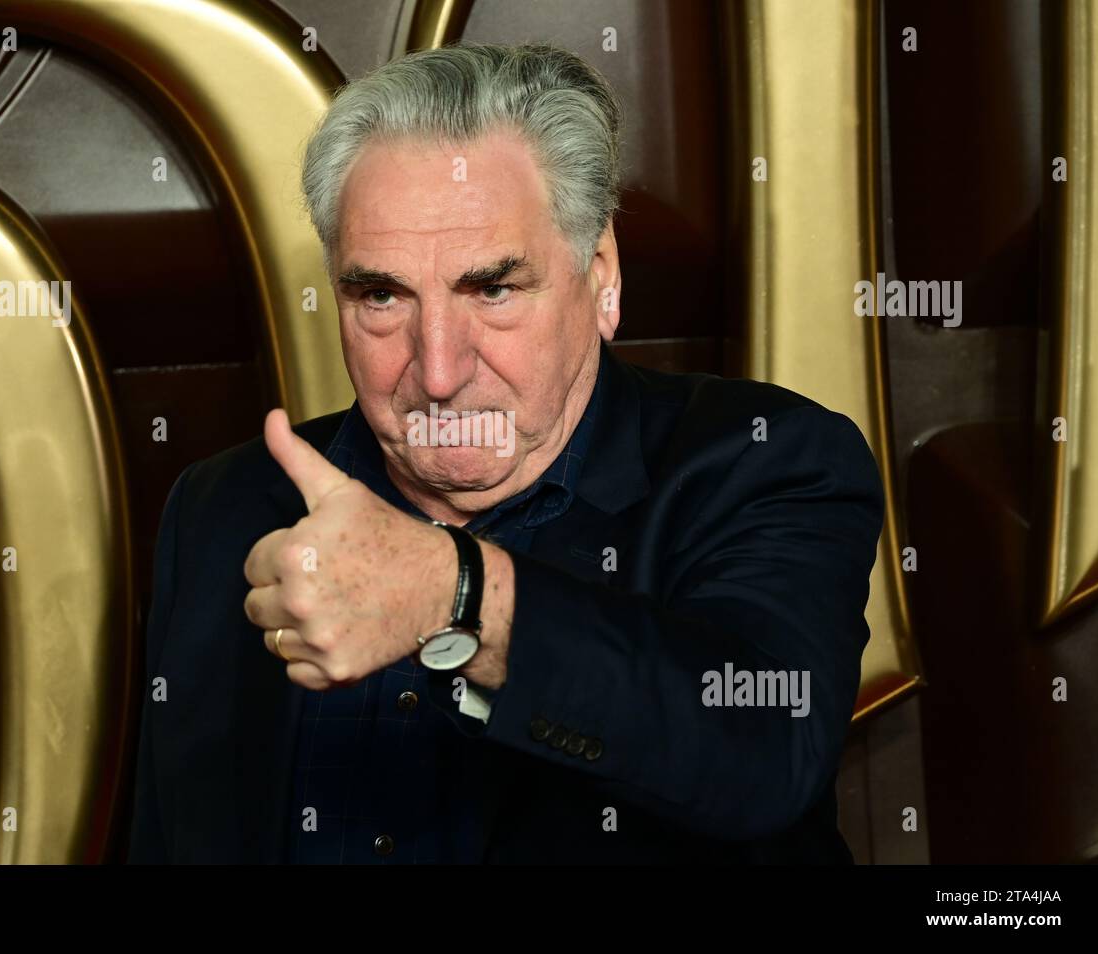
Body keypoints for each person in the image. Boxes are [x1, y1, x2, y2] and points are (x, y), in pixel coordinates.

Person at [128, 43, 884, 864]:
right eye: (381, 296)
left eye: (492, 290)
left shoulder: (766, 462)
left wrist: (452, 594)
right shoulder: (225, 504)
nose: (440, 371)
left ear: (601, 279)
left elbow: (764, 751)